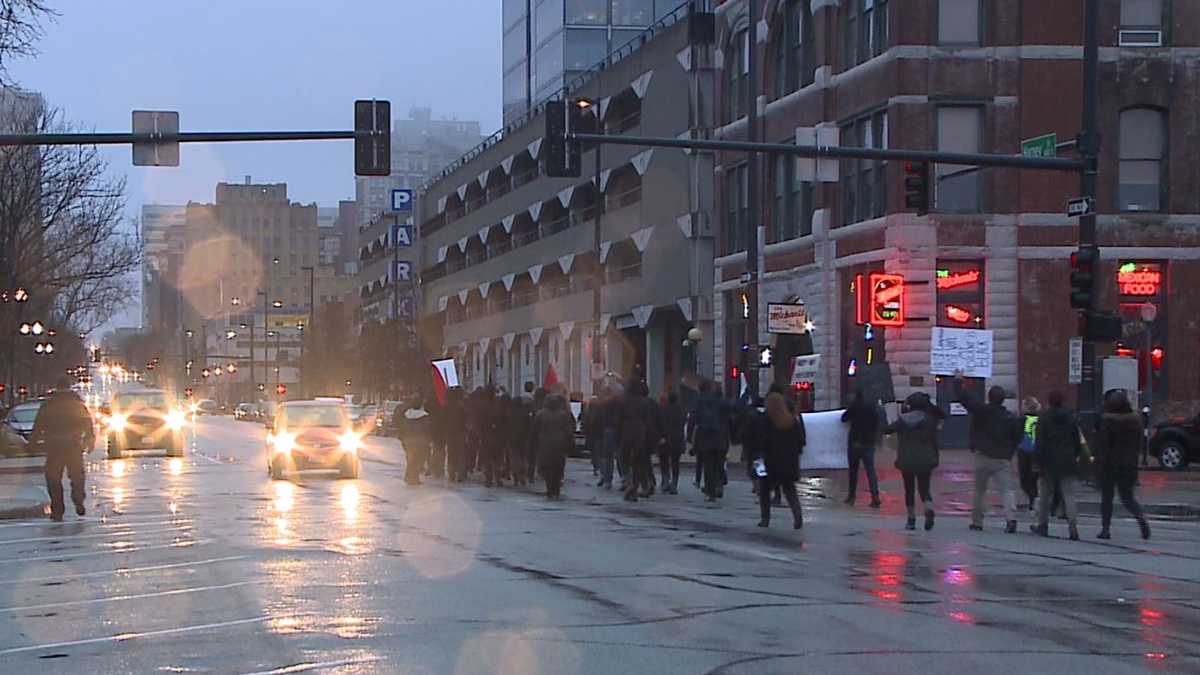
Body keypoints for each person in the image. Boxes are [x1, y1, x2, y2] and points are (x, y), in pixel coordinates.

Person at [954, 374, 1022, 534]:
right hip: (1002, 458)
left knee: (979, 490)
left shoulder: (982, 411)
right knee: (1007, 490)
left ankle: (977, 521)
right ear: (1003, 399)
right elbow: (1017, 437)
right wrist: (1009, 453)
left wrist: (958, 380)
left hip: (983, 455)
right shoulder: (1010, 417)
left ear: (989, 397)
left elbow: (964, 398)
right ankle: (1011, 518)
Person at [30, 379, 95, 521]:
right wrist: (90, 440)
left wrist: (33, 443)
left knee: (53, 478)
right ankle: (78, 499)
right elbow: (88, 423)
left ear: (56, 387)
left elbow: (38, 424)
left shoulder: (48, 404)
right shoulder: (77, 404)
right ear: (69, 387)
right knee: (77, 476)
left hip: (54, 445)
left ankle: (58, 509)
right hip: (73, 445)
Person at [1095, 389, 1151, 540]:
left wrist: (1099, 463)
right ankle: (1140, 517)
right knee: (1127, 497)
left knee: (1107, 497)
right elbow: (1139, 443)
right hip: (1129, 463)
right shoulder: (1135, 420)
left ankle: (1105, 529)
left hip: (1110, 464)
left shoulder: (1107, 421)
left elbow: (1104, 446)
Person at [884, 392, 943, 531]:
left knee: (909, 489)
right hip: (926, 458)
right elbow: (935, 436)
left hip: (906, 458)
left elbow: (887, 429)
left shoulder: (902, 420)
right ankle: (928, 508)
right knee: (924, 488)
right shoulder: (930, 420)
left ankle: (911, 519)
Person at [1031, 390, 1082, 540]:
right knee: (1069, 496)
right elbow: (1077, 441)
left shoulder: (1044, 418)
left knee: (1045, 495)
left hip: (1048, 461)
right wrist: (1075, 455)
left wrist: (1036, 461)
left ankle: (1043, 525)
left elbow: (1039, 442)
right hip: (1067, 460)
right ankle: (1073, 527)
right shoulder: (1071, 418)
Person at [757, 391, 805, 529]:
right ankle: (797, 516)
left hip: (771, 461)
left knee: (764, 490)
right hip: (790, 461)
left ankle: (765, 519)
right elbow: (800, 441)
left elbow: (762, 441)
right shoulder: (791, 421)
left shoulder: (766, 420)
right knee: (789, 489)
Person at [689, 379, 733, 502]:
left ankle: (710, 492)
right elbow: (731, 417)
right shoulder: (722, 402)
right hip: (721, 438)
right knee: (719, 464)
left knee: (708, 465)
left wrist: (689, 436)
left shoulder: (699, 402)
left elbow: (693, 419)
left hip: (705, 438)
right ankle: (719, 484)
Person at [841, 387, 883, 508]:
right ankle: (875, 497)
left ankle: (851, 496)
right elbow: (877, 423)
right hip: (869, 442)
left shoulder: (855, 406)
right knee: (870, 471)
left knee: (853, 471)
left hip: (855, 442)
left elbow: (844, 418)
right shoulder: (872, 407)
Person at [615, 380, 655, 501]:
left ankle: (631, 485)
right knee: (638, 463)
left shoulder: (624, 402)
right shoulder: (644, 403)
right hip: (640, 434)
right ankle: (636, 486)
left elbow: (618, 420)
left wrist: (618, 436)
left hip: (627, 434)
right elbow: (648, 422)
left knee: (626, 461)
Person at [530, 393, 575, 498]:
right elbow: (569, 432)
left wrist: (532, 445)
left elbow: (534, 432)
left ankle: (550, 488)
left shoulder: (540, 414)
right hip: (560, 445)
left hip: (545, 445)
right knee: (558, 467)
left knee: (547, 467)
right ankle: (556, 488)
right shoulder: (563, 415)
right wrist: (571, 445)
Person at [396, 395, 431, 486]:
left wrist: (402, 437)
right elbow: (427, 429)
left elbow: (402, 427)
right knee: (417, 460)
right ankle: (414, 478)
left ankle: (409, 476)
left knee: (410, 458)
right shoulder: (424, 416)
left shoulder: (406, 415)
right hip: (419, 441)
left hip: (408, 440)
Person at [659, 392, 687, 494]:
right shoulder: (681, 410)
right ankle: (674, 484)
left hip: (666, 438)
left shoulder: (663, 410)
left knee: (664, 460)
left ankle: (665, 481)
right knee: (675, 462)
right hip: (677, 438)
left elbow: (661, 424)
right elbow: (683, 422)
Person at [1018, 397, 1041, 511]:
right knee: (1034, 478)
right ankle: (1035, 499)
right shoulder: (1041, 419)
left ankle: (1033, 499)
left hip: (1025, 451)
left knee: (1024, 479)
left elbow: (1016, 434)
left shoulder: (1022, 419)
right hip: (1038, 451)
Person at [444, 387, 469, 482]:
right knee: (460, 453)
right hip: (460, 433)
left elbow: (444, 420)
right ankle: (460, 474)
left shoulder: (446, 407)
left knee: (451, 453)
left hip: (450, 433)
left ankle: (451, 473)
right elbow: (465, 420)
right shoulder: (461, 407)